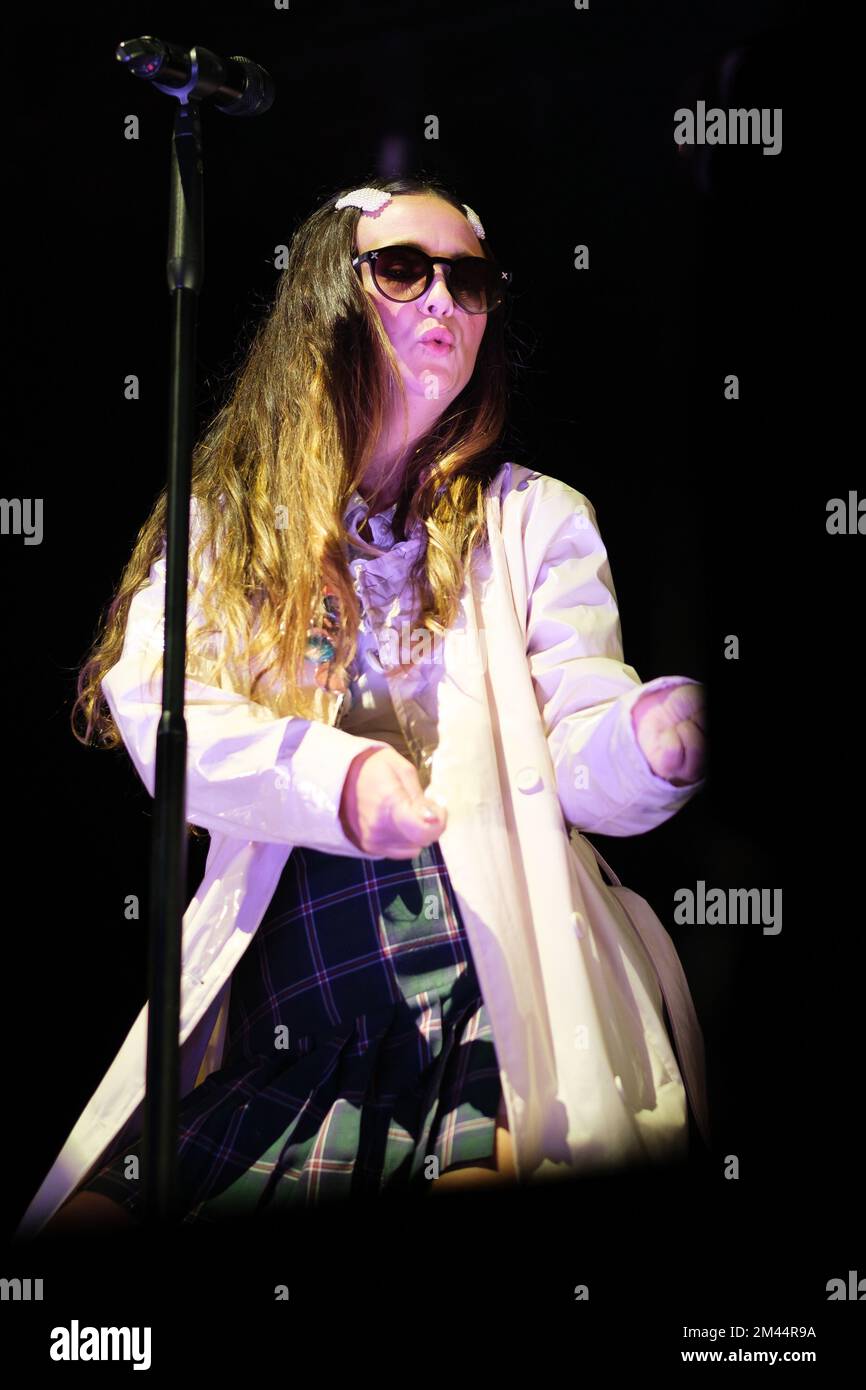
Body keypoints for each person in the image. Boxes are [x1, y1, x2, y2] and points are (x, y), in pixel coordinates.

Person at [29, 174, 707, 1239]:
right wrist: (337, 779)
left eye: (469, 280)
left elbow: (580, 749)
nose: (444, 300)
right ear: (325, 300)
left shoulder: (535, 522)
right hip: (292, 1006)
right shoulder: (228, 527)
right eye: (404, 270)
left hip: (479, 989)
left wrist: (646, 745)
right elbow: (162, 708)